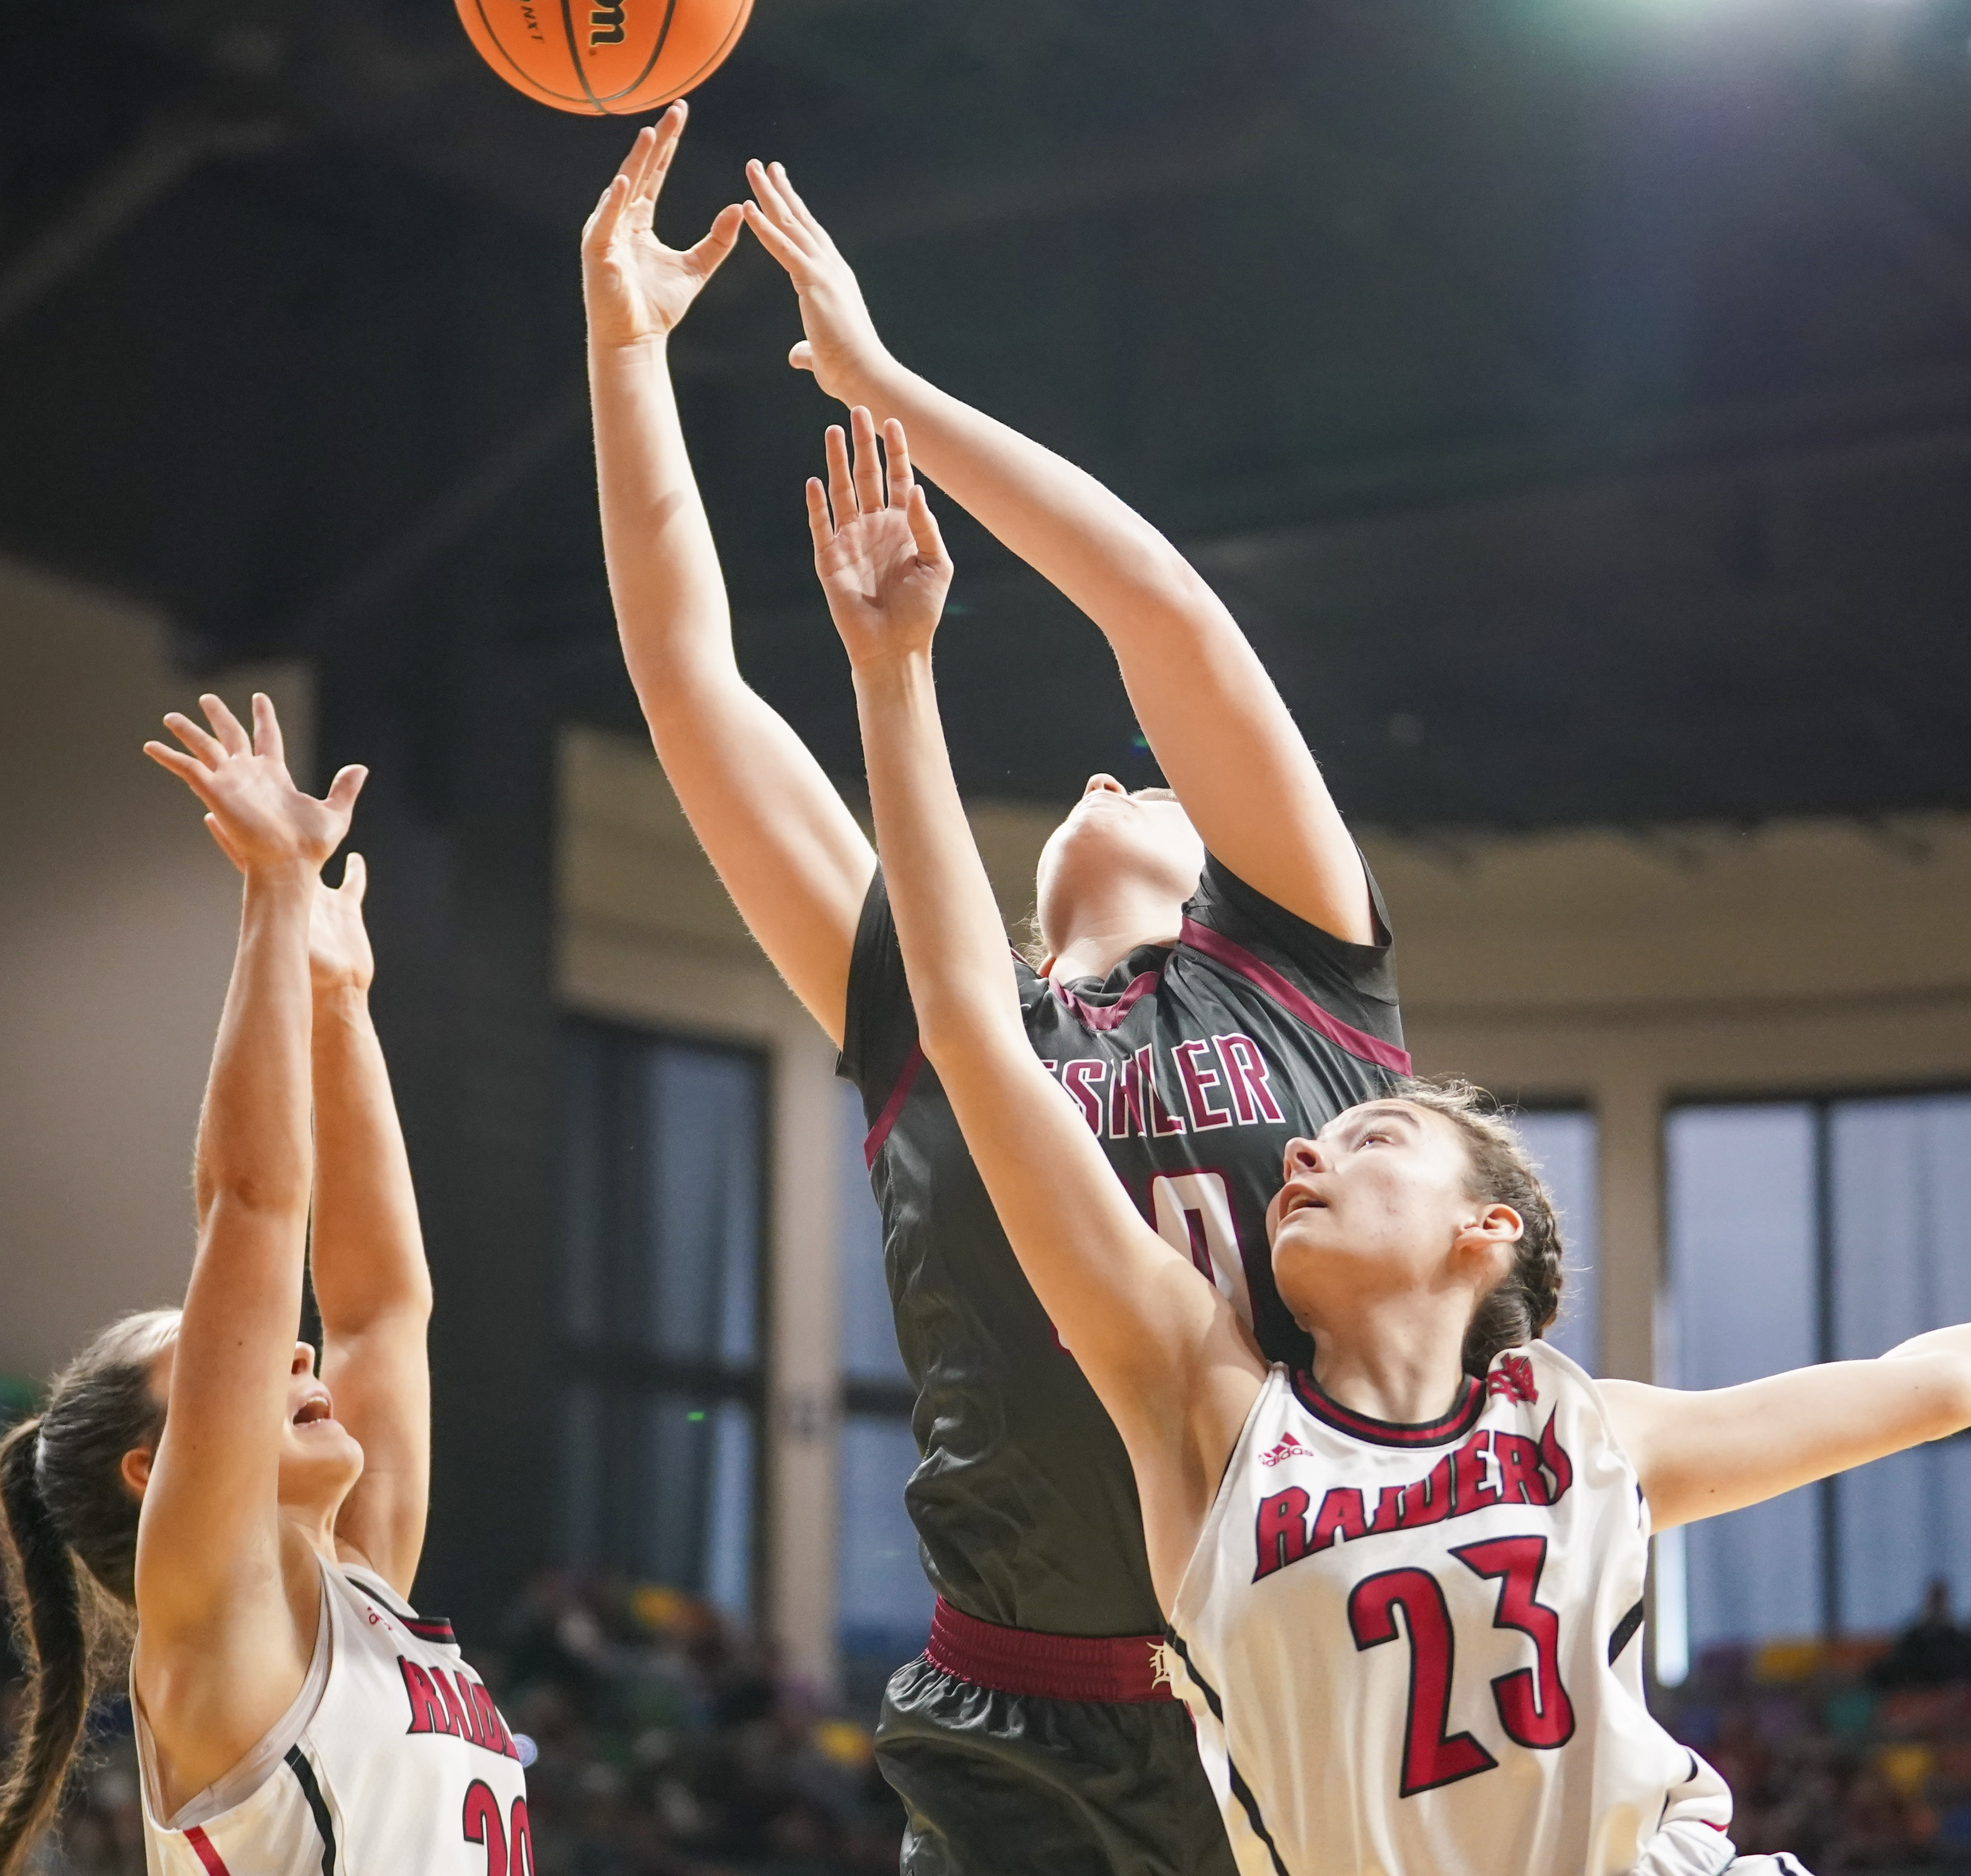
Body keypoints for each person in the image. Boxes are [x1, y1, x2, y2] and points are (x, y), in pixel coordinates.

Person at [805, 410, 1971, 1876]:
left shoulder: (1578, 1434)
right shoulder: (1224, 1435)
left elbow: (1911, 1388)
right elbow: (972, 1033)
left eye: (1368, 1140)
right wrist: (895, 675)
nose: (1302, 1153)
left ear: (1480, 1231)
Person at [585, 107, 1400, 1874]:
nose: (1112, 778)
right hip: (1024, 1724)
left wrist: (881, 382)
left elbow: (1161, 615)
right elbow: (690, 687)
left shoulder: (1304, 969)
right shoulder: (945, 1012)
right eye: (1099, 774)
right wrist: (625, 355)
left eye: (1145, 777)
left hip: (1312, 1674)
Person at [0, 695, 533, 1876]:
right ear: (156, 1468)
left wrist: (341, 1004)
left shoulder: (362, 1587)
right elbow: (254, 1205)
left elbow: (381, 1306)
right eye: (228, 1351)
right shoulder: (213, 1619)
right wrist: (273, 895)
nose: (295, 1350)